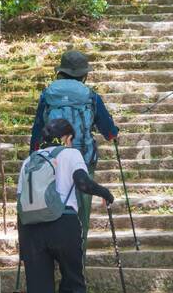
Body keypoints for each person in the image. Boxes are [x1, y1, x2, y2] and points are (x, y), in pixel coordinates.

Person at [18, 117, 115, 293]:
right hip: (63, 224)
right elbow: (83, 183)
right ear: (67, 137)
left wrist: (23, 249)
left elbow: (21, 205)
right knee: (73, 278)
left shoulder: (29, 161)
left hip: (31, 232)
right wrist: (105, 193)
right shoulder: (71, 154)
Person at [28, 50, 120, 242]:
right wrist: (113, 133)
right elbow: (108, 130)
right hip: (83, 160)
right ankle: (78, 263)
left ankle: (52, 259)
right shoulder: (90, 95)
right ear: (83, 74)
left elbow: (37, 128)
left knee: (52, 208)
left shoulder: (48, 93)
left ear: (61, 71)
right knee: (81, 213)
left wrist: (34, 156)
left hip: (51, 161)